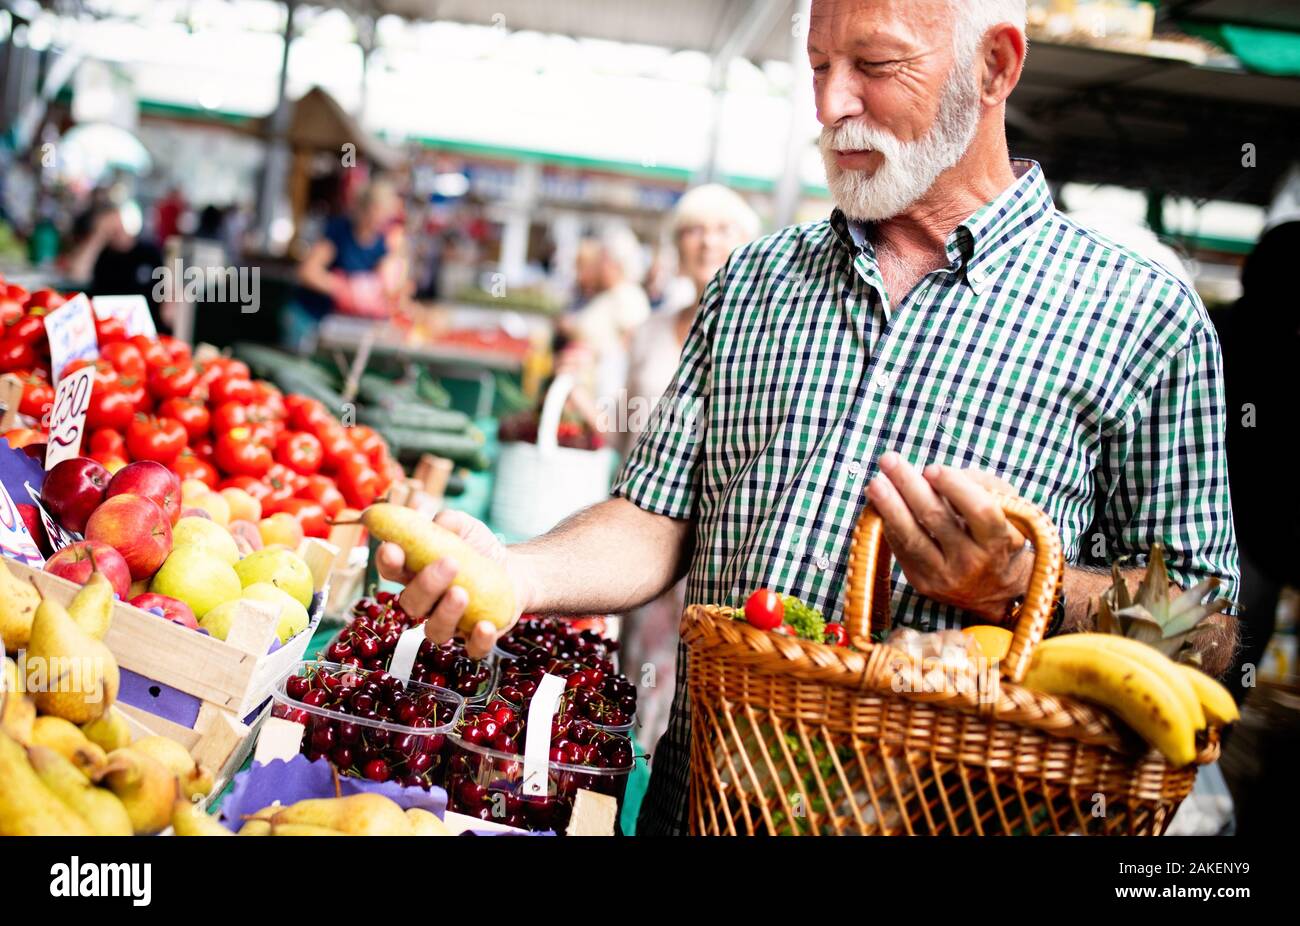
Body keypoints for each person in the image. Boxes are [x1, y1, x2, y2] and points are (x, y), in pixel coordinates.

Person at [376, 0, 1240, 836]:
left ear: (995, 66)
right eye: (819, 66)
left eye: (875, 64)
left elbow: (1203, 629)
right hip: (700, 811)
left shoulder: (1141, 319)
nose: (831, 105)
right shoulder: (757, 278)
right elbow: (656, 518)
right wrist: (517, 574)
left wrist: (1021, 586)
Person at [618, 184, 761, 753]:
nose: (707, 242)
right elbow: (620, 432)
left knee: (693, 668)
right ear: (676, 246)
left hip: (719, 538)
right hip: (644, 524)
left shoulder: (763, 337)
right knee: (636, 661)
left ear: (749, 243)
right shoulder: (651, 331)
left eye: (723, 229)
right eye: (693, 230)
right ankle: (623, 766)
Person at [1211, 221, 1300, 702]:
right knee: (1234, 645)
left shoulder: (1216, 330)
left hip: (1233, 531)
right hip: (1252, 536)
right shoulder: (1259, 343)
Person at [287, 178, 408, 350]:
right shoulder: (340, 230)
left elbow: (388, 287)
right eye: (379, 211)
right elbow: (307, 272)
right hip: (309, 317)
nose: (383, 218)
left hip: (337, 324)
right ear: (366, 207)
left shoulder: (382, 243)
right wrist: (343, 287)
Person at [558, 227, 651, 407]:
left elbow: (632, 348)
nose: (597, 265)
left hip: (602, 399)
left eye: (601, 260)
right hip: (583, 393)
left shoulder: (629, 295)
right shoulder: (606, 294)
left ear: (612, 263)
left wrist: (593, 356)